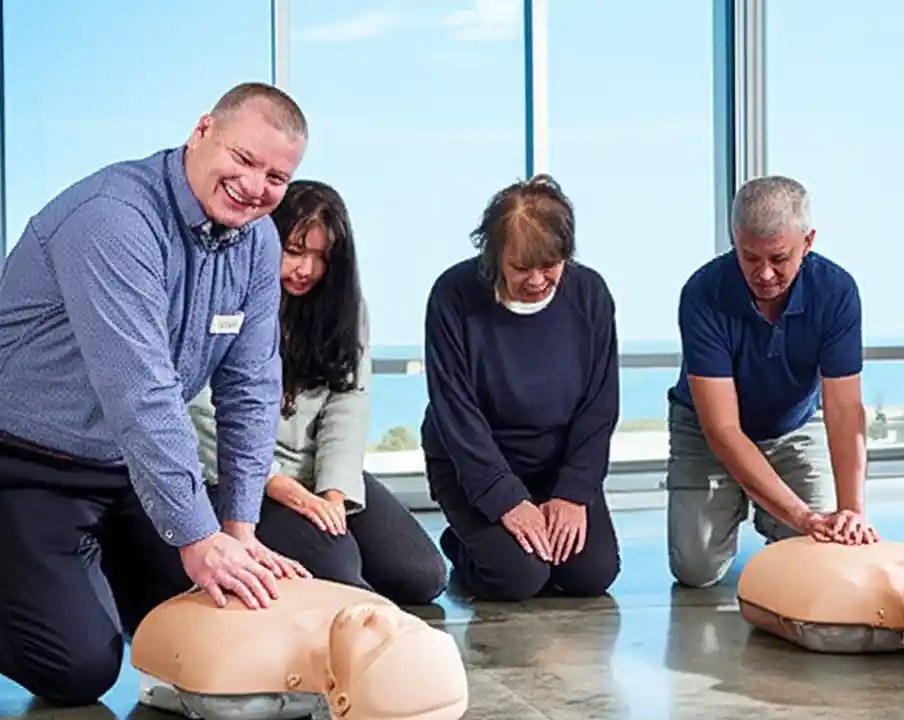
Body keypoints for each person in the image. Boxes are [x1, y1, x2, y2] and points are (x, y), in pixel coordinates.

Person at [0, 82, 310, 705]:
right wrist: (197, 540)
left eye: (276, 177)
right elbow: (141, 392)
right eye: (244, 160)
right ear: (202, 133)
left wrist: (237, 529)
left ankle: (71, 582)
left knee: (237, 597)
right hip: (25, 466)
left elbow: (251, 387)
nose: (256, 187)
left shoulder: (257, 242)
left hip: (124, 472)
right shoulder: (115, 218)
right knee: (79, 669)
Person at [187, 180, 448, 606]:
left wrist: (334, 494)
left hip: (316, 476)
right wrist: (279, 486)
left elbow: (349, 403)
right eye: (295, 251)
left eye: (321, 257)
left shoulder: (346, 308)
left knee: (422, 576)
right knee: (342, 574)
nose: (306, 269)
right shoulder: (225, 296)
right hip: (246, 480)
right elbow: (200, 406)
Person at [665, 175, 879, 589]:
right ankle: (759, 506)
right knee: (696, 569)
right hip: (707, 432)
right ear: (735, 239)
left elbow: (843, 409)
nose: (764, 274)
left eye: (779, 258)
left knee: (826, 551)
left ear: (808, 241)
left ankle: (772, 511)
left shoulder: (837, 291)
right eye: (750, 257)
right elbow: (722, 429)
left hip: (793, 426)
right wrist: (800, 515)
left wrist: (852, 511)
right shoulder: (702, 292)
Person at [421, 174, 622, 602]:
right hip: (474, 467)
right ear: (495, 257)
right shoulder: (452, 296)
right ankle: (462, 542)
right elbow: (456, 414)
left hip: (554, 468)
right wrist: (505, 499)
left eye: (549, 266)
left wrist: (572, 492)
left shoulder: (591, 295)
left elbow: (599, 406)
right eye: (521, 268)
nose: (536, 281)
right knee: (519, 576)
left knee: (592, 573)